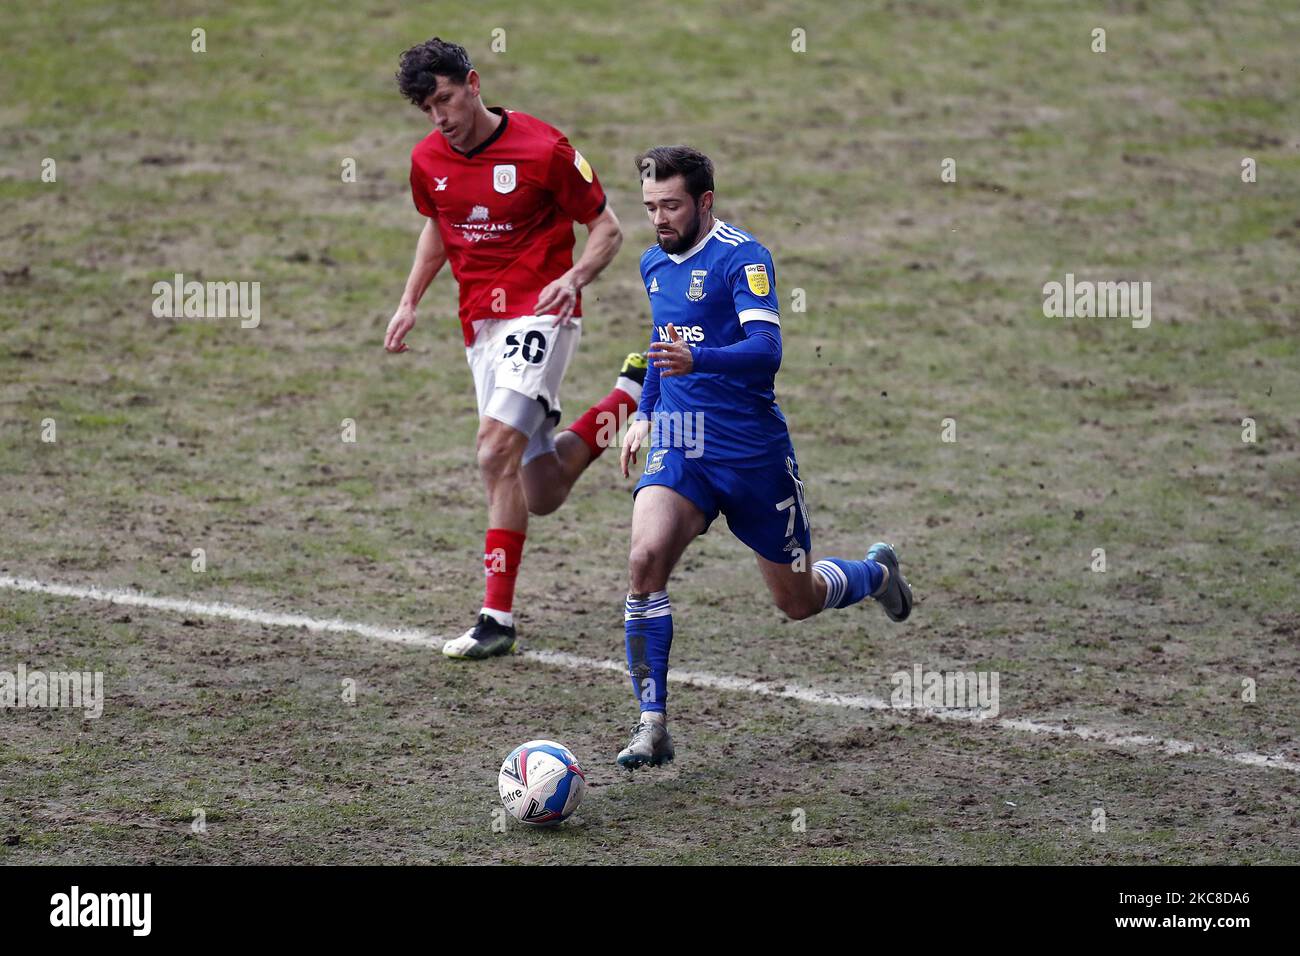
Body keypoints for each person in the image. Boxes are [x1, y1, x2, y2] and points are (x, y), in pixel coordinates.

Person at [616, 145, 913, 768]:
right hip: (683, 441)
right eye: (649, 207)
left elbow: (766, 348)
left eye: (670, 205)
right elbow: (661, 342)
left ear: (705, 201)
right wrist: (644, 414)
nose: (659, 219)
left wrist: (702, 360)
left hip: (752, 453)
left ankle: (877, 575)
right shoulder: (652, 263)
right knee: (645, 561)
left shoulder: (742, 258)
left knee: (796, 601)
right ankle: (652, 724)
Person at [386, 38, 646, 660]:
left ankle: (495, 619)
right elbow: (438, 227)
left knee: (491, 450)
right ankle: (630, 393)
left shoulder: (544, 148)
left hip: (542, 314)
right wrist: (409, 300)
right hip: (480, 327)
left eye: (445, 99)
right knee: (543, 490)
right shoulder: (428, 160)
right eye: (427, 108)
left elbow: (607, 228)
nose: (440, 116)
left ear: (473, 83)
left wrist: (573, 280)